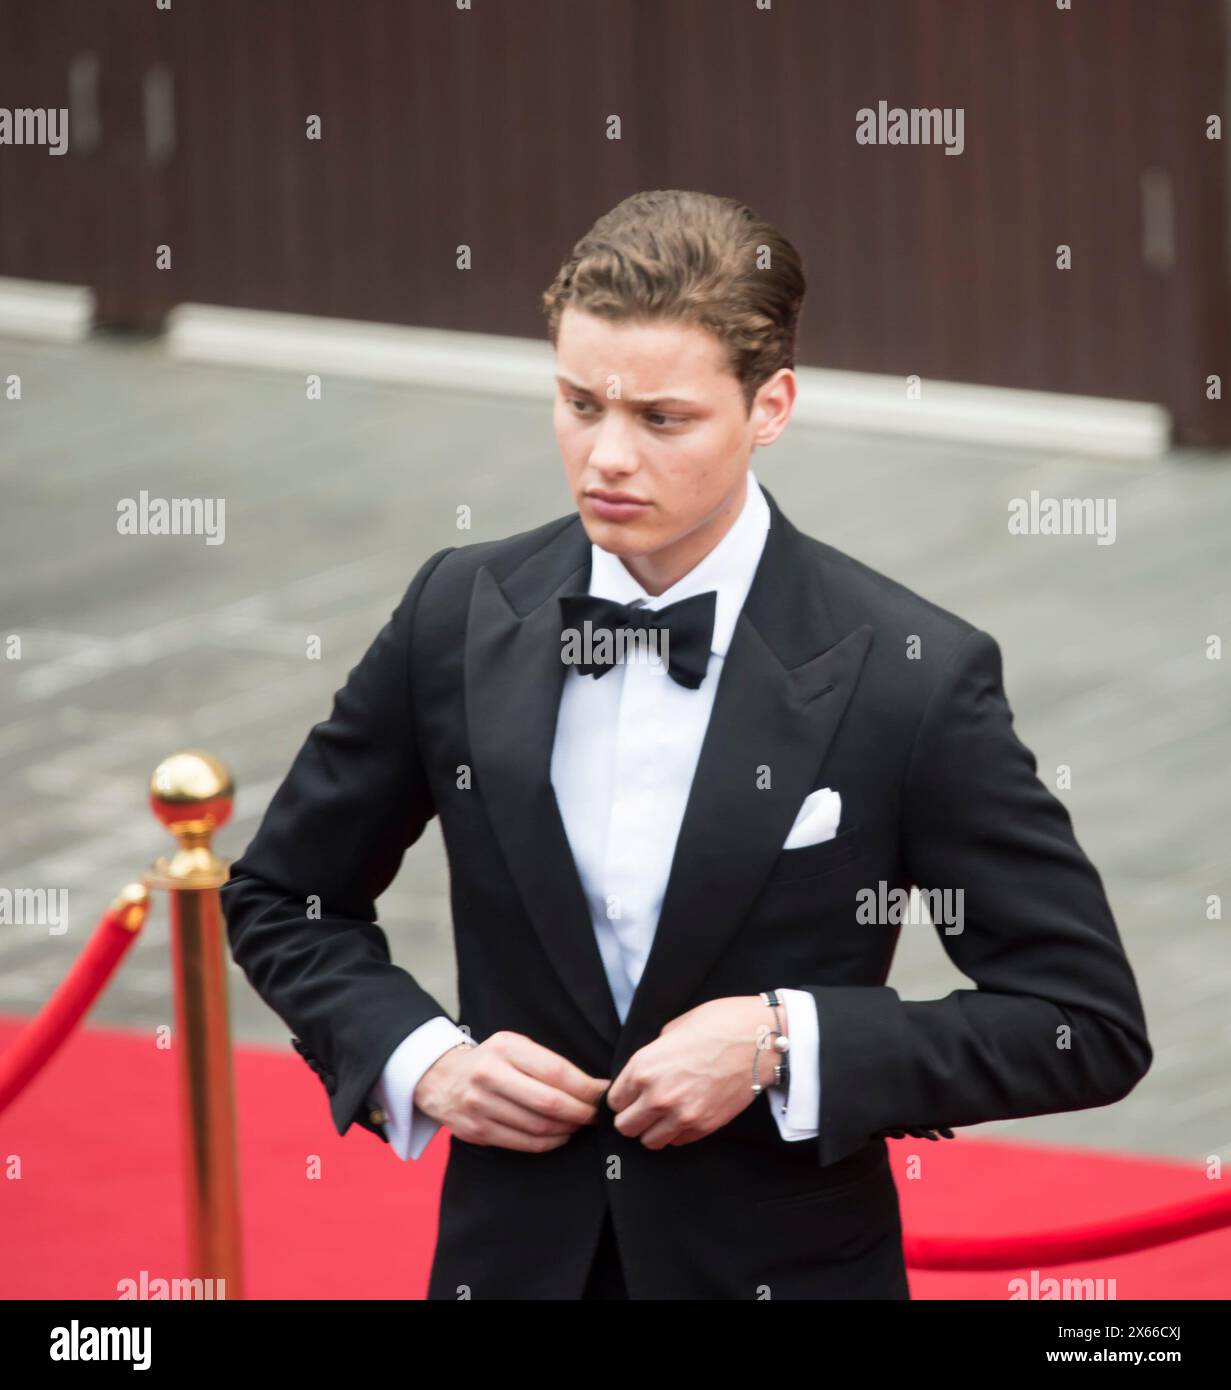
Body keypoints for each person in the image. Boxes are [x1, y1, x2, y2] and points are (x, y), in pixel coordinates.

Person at [220, 189, 1152, 1300]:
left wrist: (782, 1042)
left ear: (771, 407)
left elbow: (1082, 1022)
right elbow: (284, 894)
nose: (605, 456)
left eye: (661, 418)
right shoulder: (454, 613)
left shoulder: (913, 673)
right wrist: (430, 1063)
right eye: (577, 402)